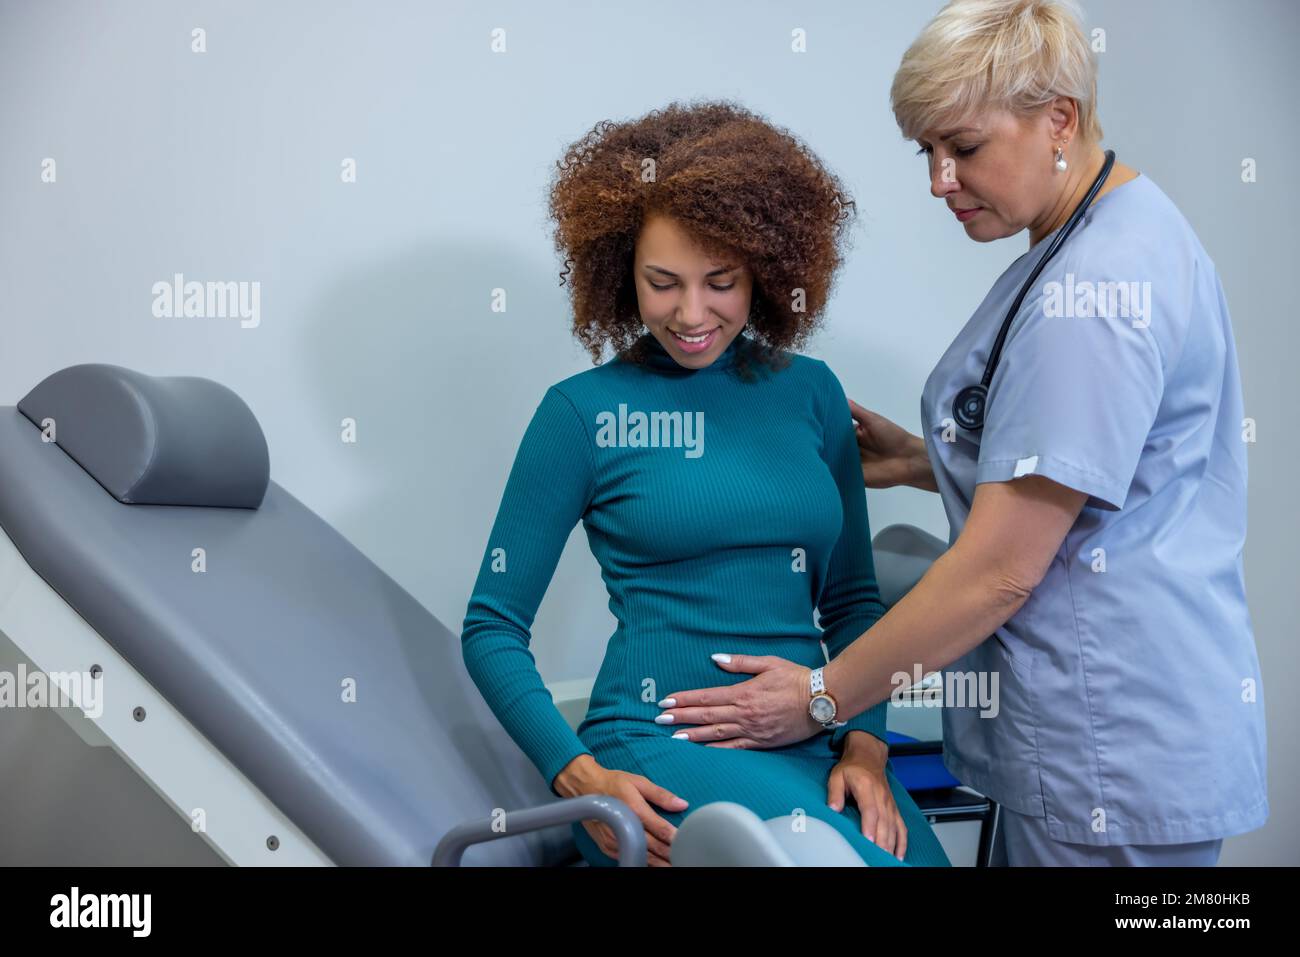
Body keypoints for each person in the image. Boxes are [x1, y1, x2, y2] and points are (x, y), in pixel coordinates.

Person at [652, 0, 1268, 866]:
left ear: (1061, 118)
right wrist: (920, 459)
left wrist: (823, 699)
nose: (939, 180)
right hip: (1117, 725)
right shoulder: (1115, 227)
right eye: (926, 152)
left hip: (1105, 741)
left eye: (965, 148)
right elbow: (1094, 462)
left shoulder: (1089, 298)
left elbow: (998, 572)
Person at [461, 100, 950, 866]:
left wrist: (865, 747)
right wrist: (582, 778)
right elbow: (491, 627)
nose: (692, 313)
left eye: (720, 281)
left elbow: (853, 602)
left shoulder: (813, 394)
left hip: (813, 738)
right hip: (657, 743)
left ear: (766, 264)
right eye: (663, 283)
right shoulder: (580, 413)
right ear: (621, 271)